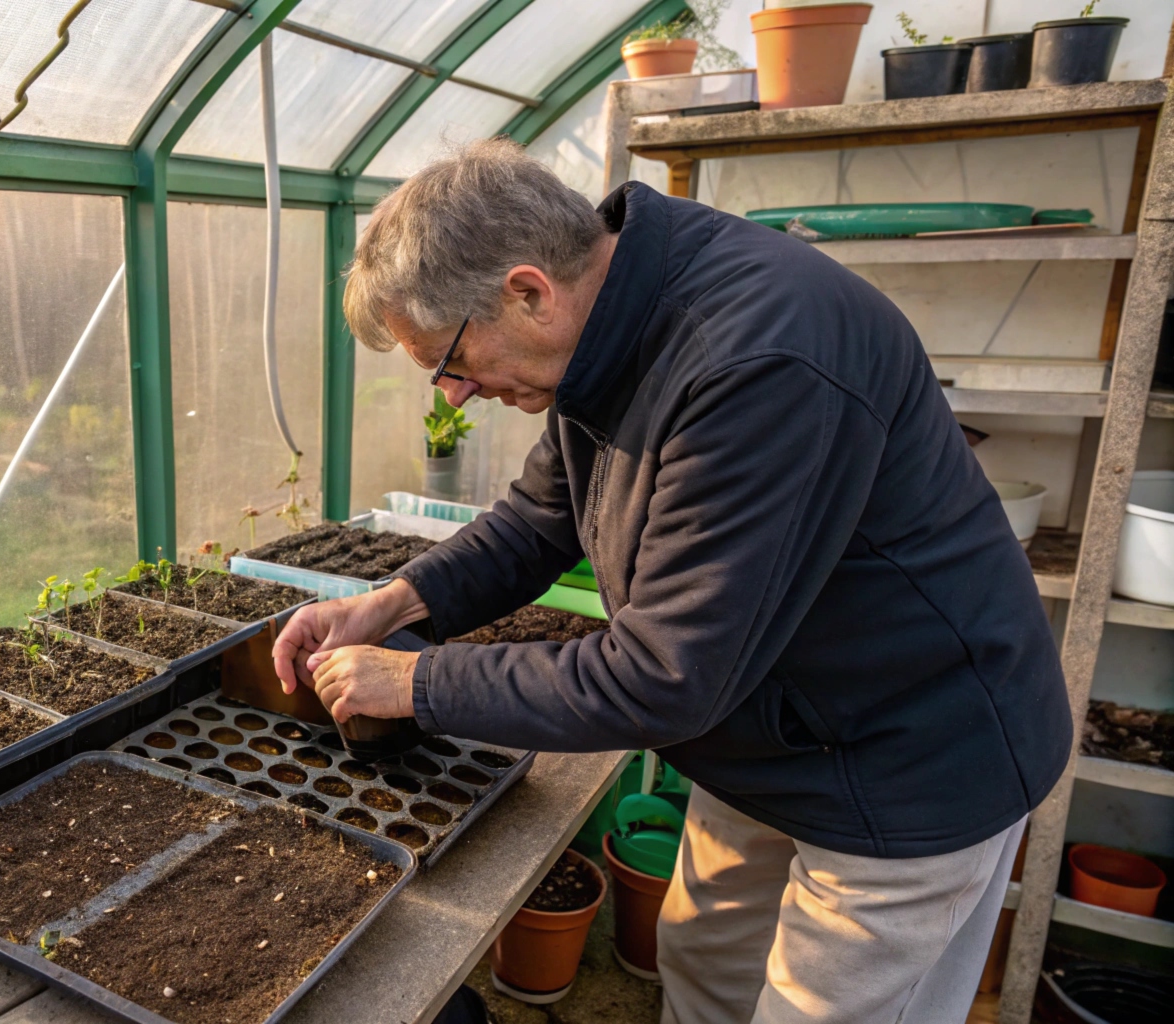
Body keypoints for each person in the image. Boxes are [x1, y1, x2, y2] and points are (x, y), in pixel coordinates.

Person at [272, 139, 1070, 1023]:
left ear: (527, 290)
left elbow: (664, 674)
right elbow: (542, 517)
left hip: (909, 763)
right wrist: (389, 605)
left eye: (450, 363)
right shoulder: (609, 324)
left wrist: (417, 681)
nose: (452, 396)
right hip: (773, 723)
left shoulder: (757, 361)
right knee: (705, 964)